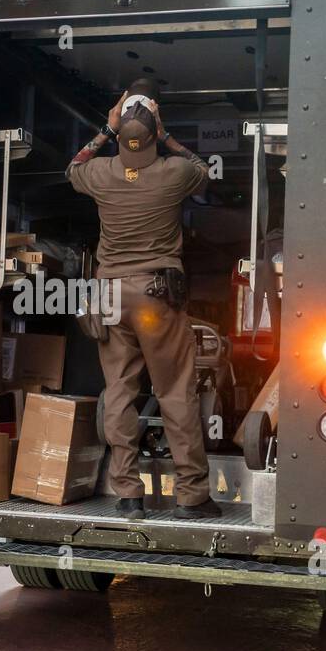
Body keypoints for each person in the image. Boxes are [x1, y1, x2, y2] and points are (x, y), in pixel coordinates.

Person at [66, 80, 219, 521]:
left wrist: (106, 130)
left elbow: (72, 168)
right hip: (156, 298)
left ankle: (129, 496)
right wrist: (165, 134)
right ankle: (191, 497)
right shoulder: (174, 173)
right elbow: (202, 168)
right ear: (154, 133)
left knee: (119, 391)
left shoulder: (100, 173)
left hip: (112, 296)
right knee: (175, 391)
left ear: (119, 130)